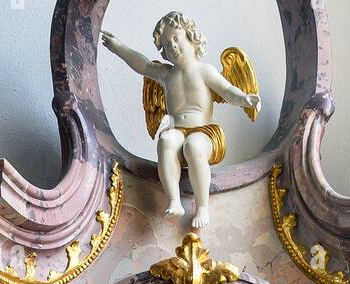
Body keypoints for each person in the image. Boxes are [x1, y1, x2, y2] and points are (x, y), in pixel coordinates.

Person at [102, 13, 260, 228]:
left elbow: (227, 90)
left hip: (205, 133)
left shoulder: (204, 70)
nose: (173, 46)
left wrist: (244, 99)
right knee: (166, 140)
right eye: (167, 44)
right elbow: (141, 64)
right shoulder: (166, 74)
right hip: (178, 129)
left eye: (176, 38)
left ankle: (202, 207)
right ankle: (174, 200)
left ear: (191, 37)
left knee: (193, 146)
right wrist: (117, 46)